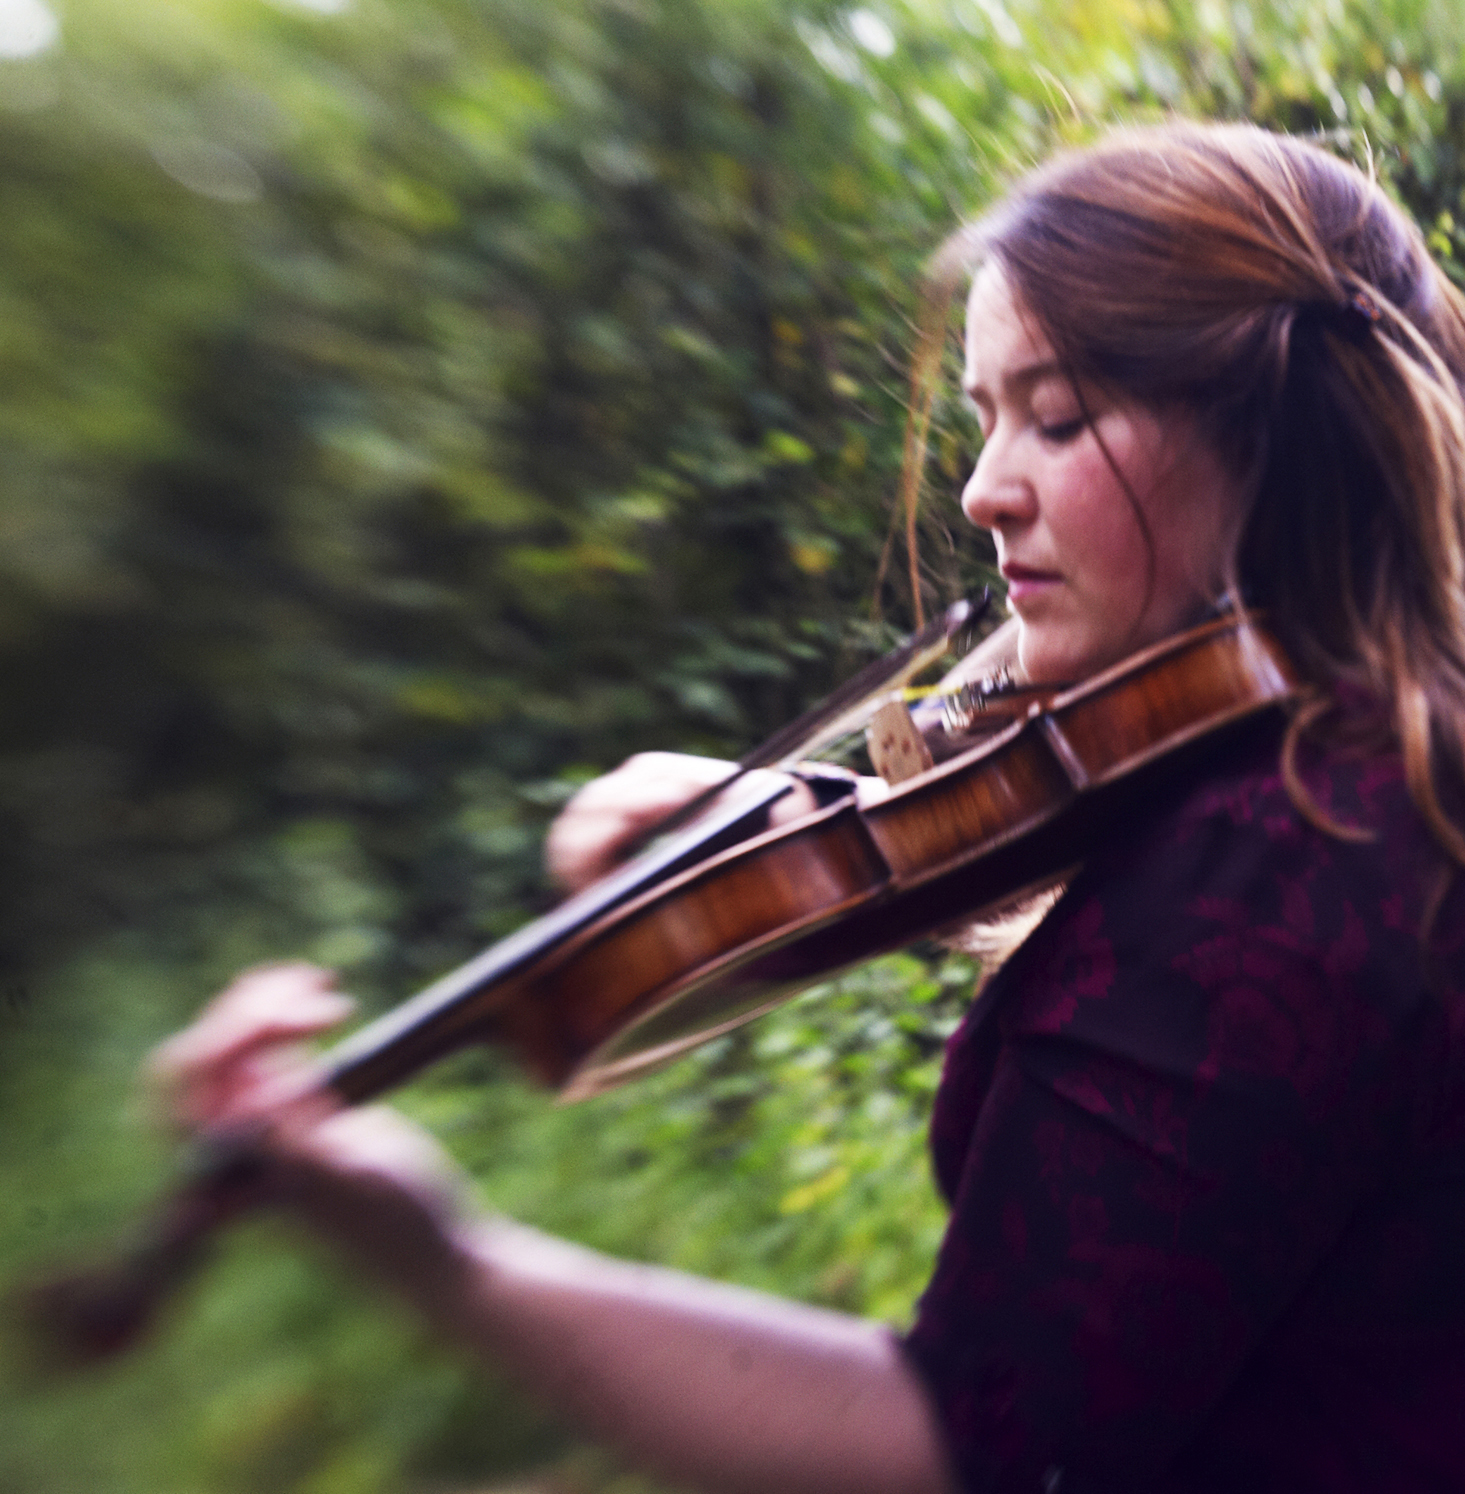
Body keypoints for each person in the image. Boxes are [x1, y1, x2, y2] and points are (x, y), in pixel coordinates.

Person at [150, 122, 1465, 1492]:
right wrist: (816, 819)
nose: (982, 489)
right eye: (983, 417)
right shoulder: (1370, 762)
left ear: (1275, 434)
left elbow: (968, 1445)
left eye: (1059, 417)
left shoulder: (1278, 852)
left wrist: (449, 1260)